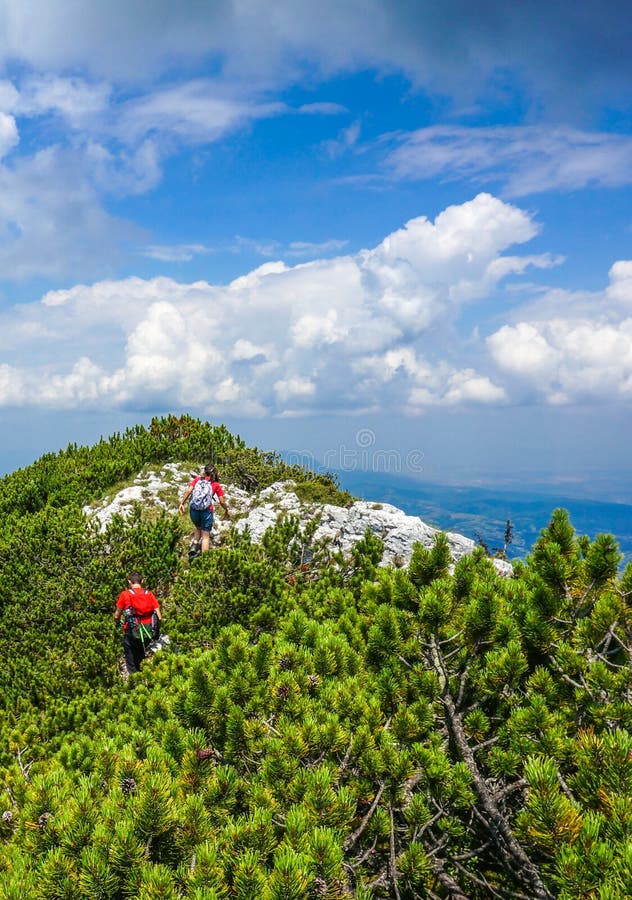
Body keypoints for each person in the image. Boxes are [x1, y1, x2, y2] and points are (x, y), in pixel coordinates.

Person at [114, 572, 162, 675]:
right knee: (141, 655)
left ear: (129, 582)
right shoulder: (149, 594)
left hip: (132, 631)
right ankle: (145, 676)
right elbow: (159, 616)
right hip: (149, 631)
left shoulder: (125, 594)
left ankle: (135, 682)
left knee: (131, 660)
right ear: (142, 581)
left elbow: (117, 614)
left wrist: (117, 623)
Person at [179, 463, 230, 557]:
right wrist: (226, 510)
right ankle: (204, 560)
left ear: (204, 472)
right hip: (206, 511)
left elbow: (188, 491)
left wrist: (182, 503)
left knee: (198, 527)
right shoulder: (216, 484)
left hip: (194, 509)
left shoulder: (197, 480)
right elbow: (222, 501)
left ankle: (194, 547)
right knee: (205, 535)